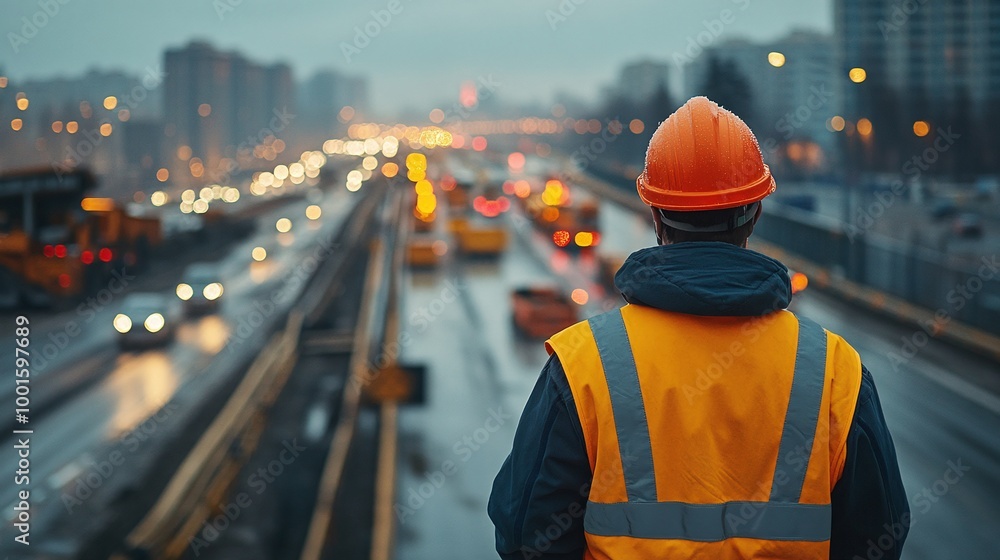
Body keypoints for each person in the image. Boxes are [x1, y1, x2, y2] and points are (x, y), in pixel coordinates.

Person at [488, 96, 909, 559]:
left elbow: (527, 533)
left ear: (654, 216)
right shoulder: (834, 372)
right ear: (756, 213)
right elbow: (878, 535)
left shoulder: (584, 364)